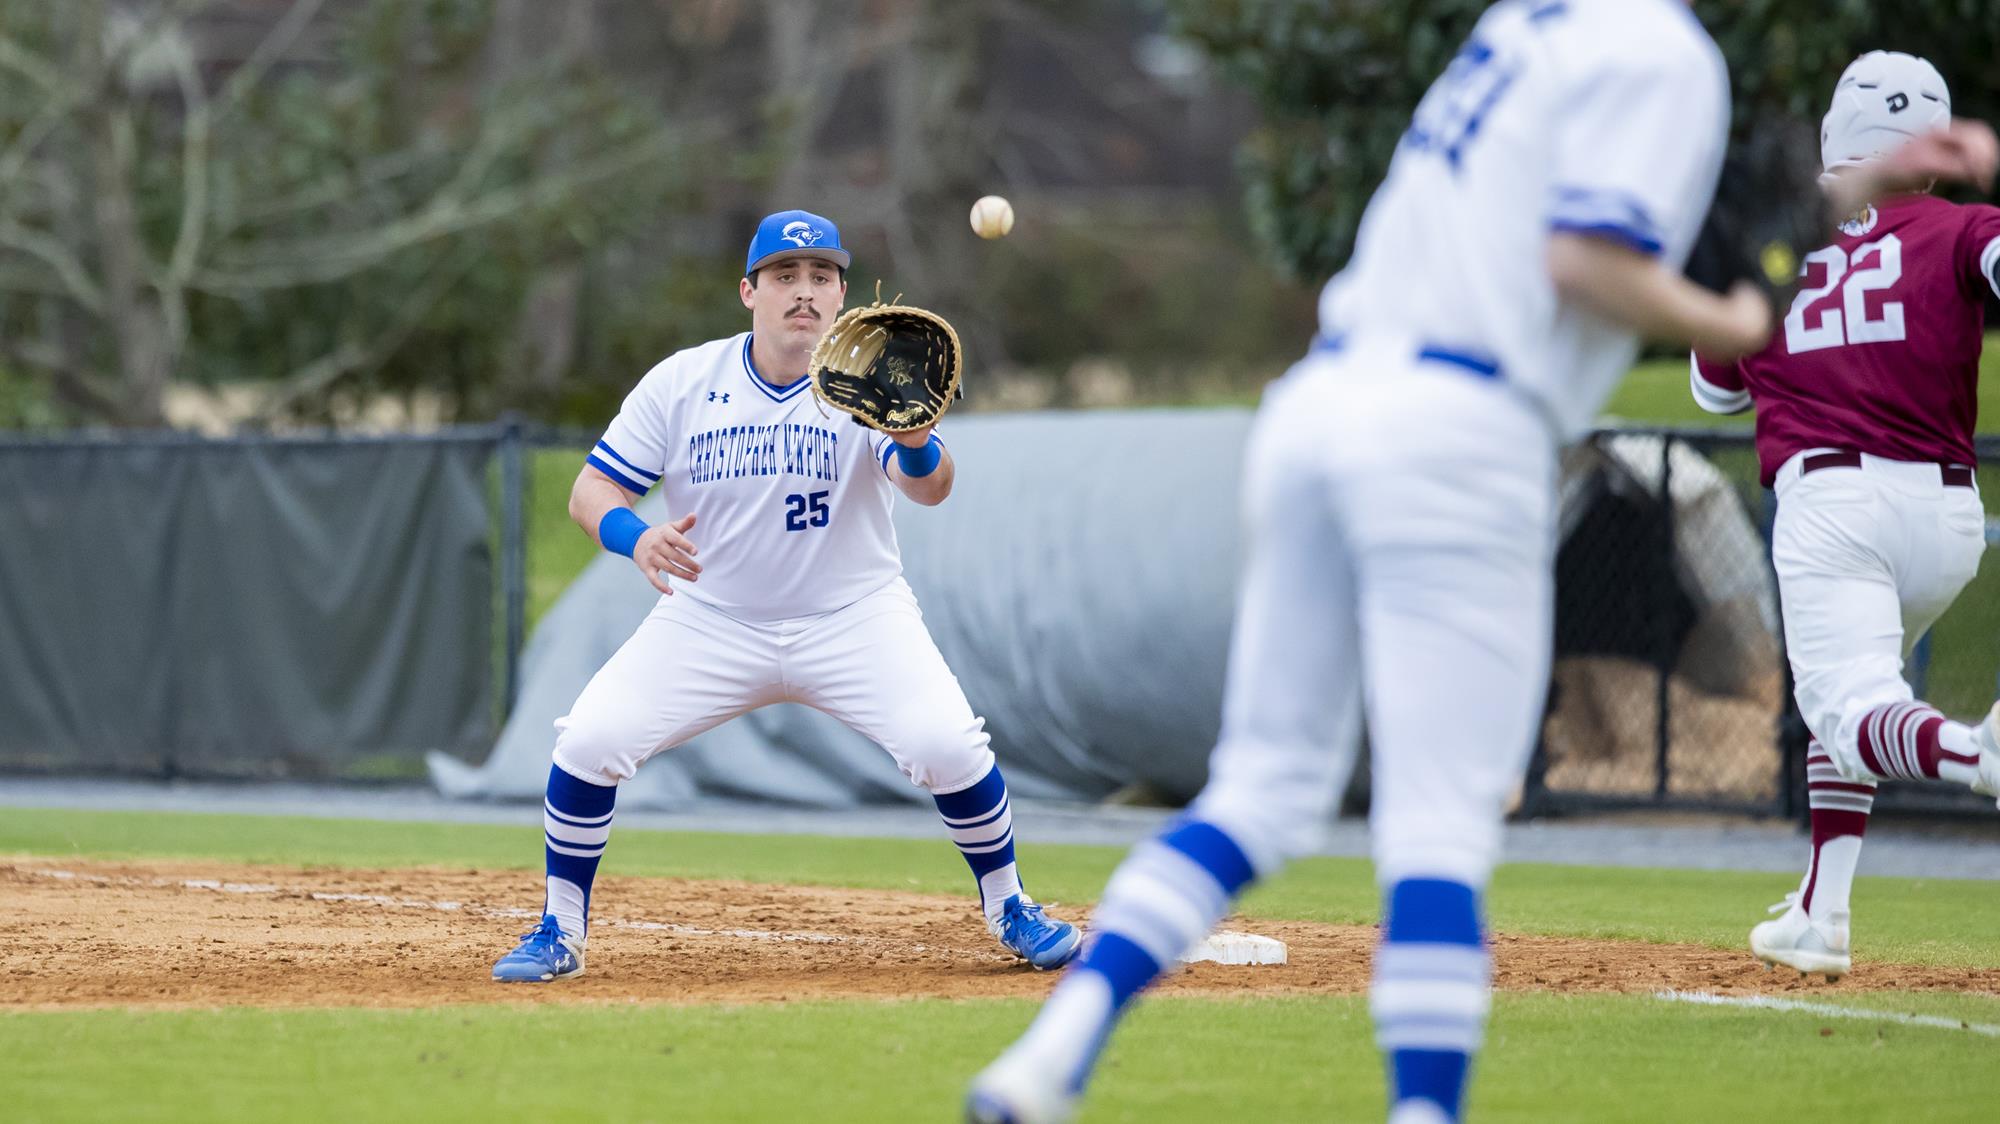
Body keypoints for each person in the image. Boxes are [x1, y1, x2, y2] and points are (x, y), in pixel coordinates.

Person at [963, 3, 1998, 1122]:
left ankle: (1047, 1059)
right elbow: (1585, 260)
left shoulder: (1520, 25)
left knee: (1259, 788)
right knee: (1439, 831)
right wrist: (1729, 312)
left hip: (1319, 404)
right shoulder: (1661, 49)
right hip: (1460, 430)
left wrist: (1814, 230)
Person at [490, 209, 1080, 982]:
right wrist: (637, 538)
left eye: (822, 277)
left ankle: (1010, 906)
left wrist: (914, 437)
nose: (804, 292)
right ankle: (560, 931)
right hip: (713, 617)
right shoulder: (683, 383)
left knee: (948, 745)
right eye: (785, 277)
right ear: (749, 291)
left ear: (841, 296)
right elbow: (591, 491)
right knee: (589, 742)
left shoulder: (866, 381)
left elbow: (930, 488)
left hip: (853, 615)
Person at [1686, 51, 2000, 980]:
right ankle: (1822, 913)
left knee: (1850, 703)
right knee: (1851, 705)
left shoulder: (1776, 243)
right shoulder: (1961, 225)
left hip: (1832, 502)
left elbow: (1713, 393)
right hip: (1947, 520)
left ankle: (1976, 755)